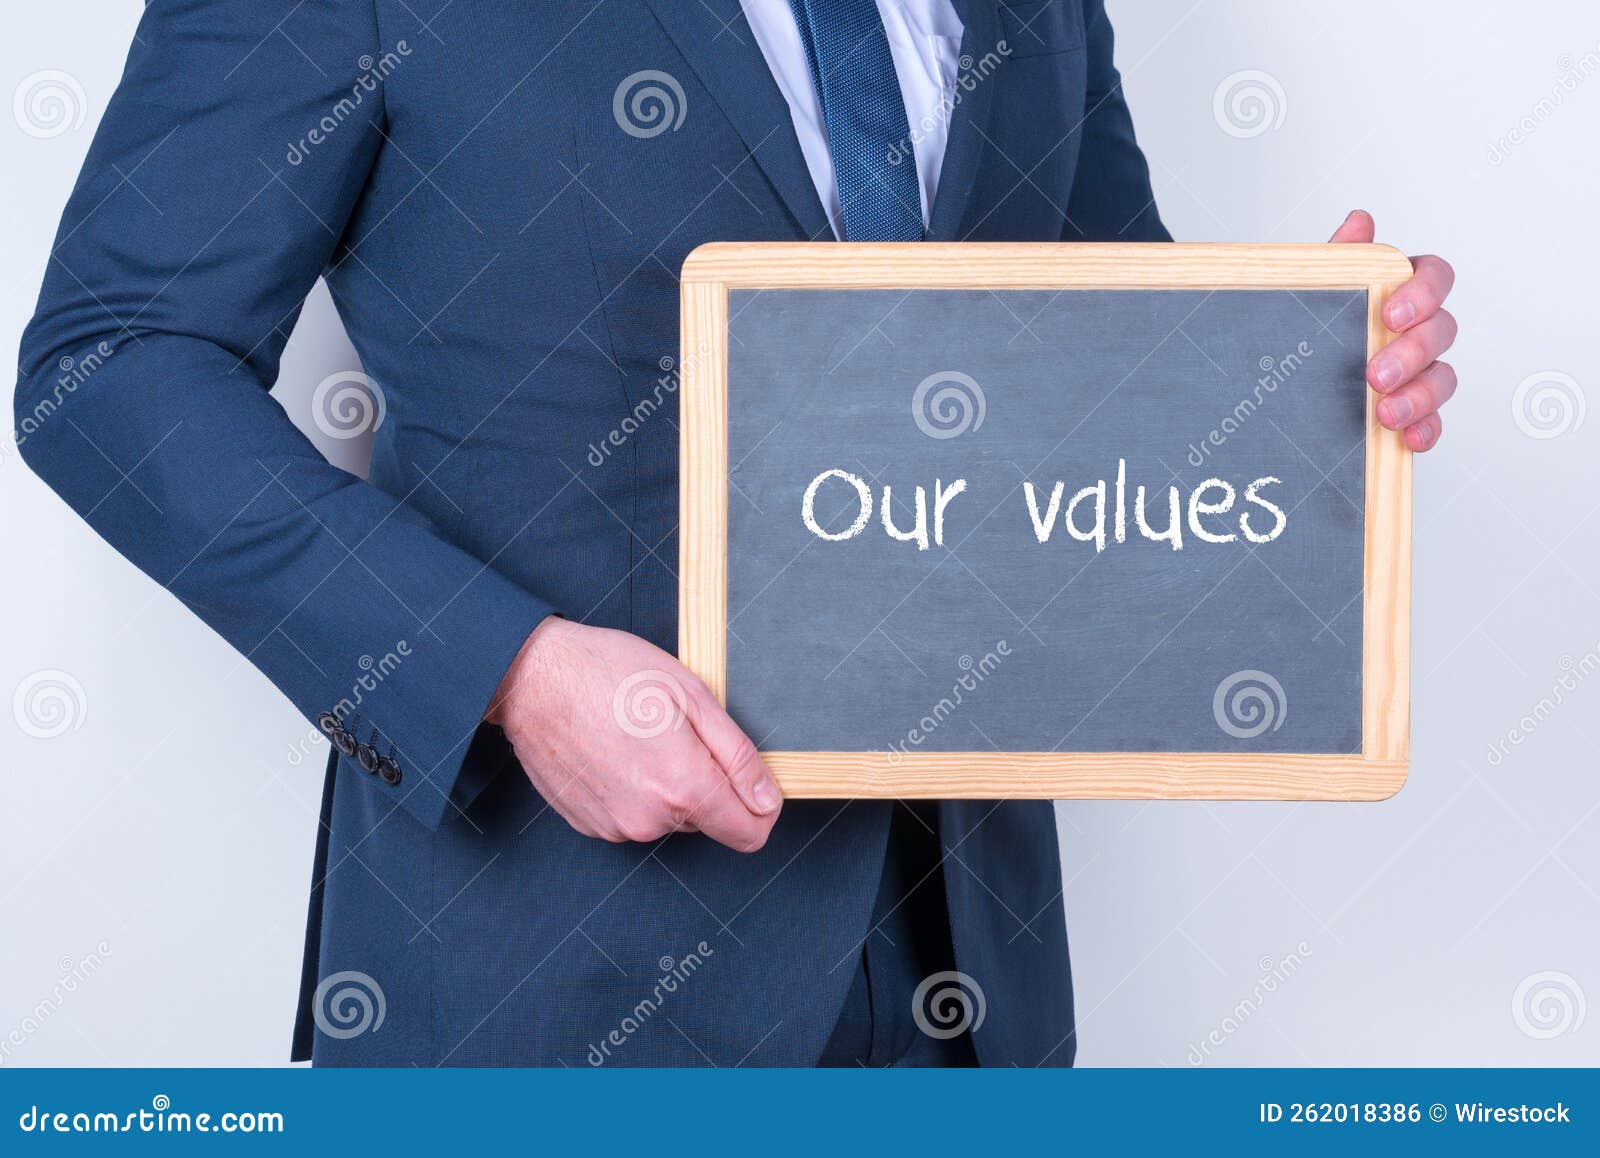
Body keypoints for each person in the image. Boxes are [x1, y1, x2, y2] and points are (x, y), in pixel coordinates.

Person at [15, 0, 1457, 1067]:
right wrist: (507, 671)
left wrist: (1293, 376)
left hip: (975, 974)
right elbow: (113, 360)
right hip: (550, 974)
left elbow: (1085, 370)